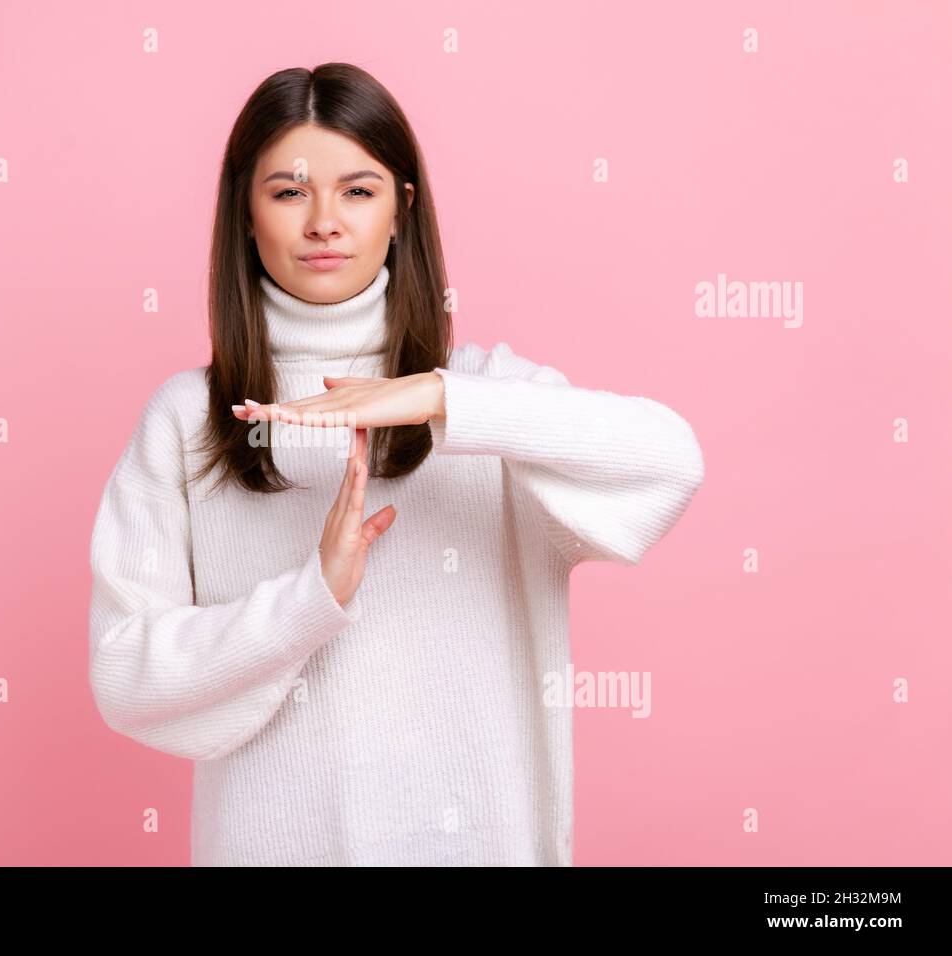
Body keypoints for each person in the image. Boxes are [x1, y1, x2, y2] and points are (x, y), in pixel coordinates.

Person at [88, 62, 705, 866]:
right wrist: (311, 598)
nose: (323, 223)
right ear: (244, 212)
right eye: (288, 191)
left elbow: (670, 462)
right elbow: (126, 677)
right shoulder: (187, 417)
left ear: (400, 210)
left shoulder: (487, 397)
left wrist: (444, 400)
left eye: (357, 190)